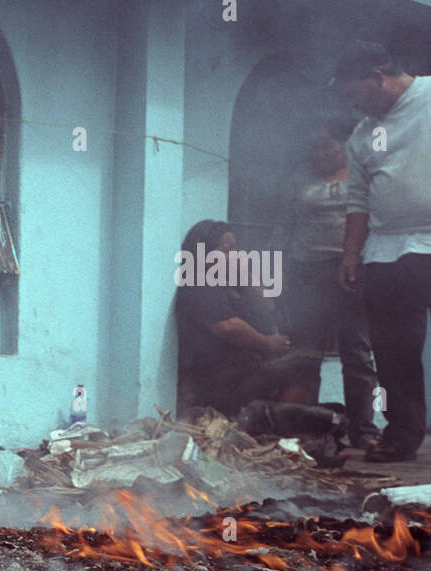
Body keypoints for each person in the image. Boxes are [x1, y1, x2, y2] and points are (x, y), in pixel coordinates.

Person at [334, 41, 431, 462]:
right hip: (388, 250)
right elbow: (359, 201)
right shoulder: (363, 133)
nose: (354, 105)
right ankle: (402, 432)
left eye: (355, 94)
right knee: (393, 350)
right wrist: (350, 255)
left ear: (378, 78)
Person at [275, 114, 381, 449]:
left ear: (344, 144)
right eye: (315, 148)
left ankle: (363, 430)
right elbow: (285, 224)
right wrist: (278, 266)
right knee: (307, 353)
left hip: (352, 271)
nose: (320, 153)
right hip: (307, 270)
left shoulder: (361, 172)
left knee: (357, 352)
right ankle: (309, 428)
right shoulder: (299, 177)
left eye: (327, 146)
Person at [176, 220, 320, 418]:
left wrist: (247, 277)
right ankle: (277, 432)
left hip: (242, 372)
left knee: (306, 358)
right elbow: (228, 327)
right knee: (299, 370)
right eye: (228, 250)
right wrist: (266, 343)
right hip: (216, 382)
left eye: (237, 249)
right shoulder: (199, 284)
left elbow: (268, 305)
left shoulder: (232, 284)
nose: (236, 255)